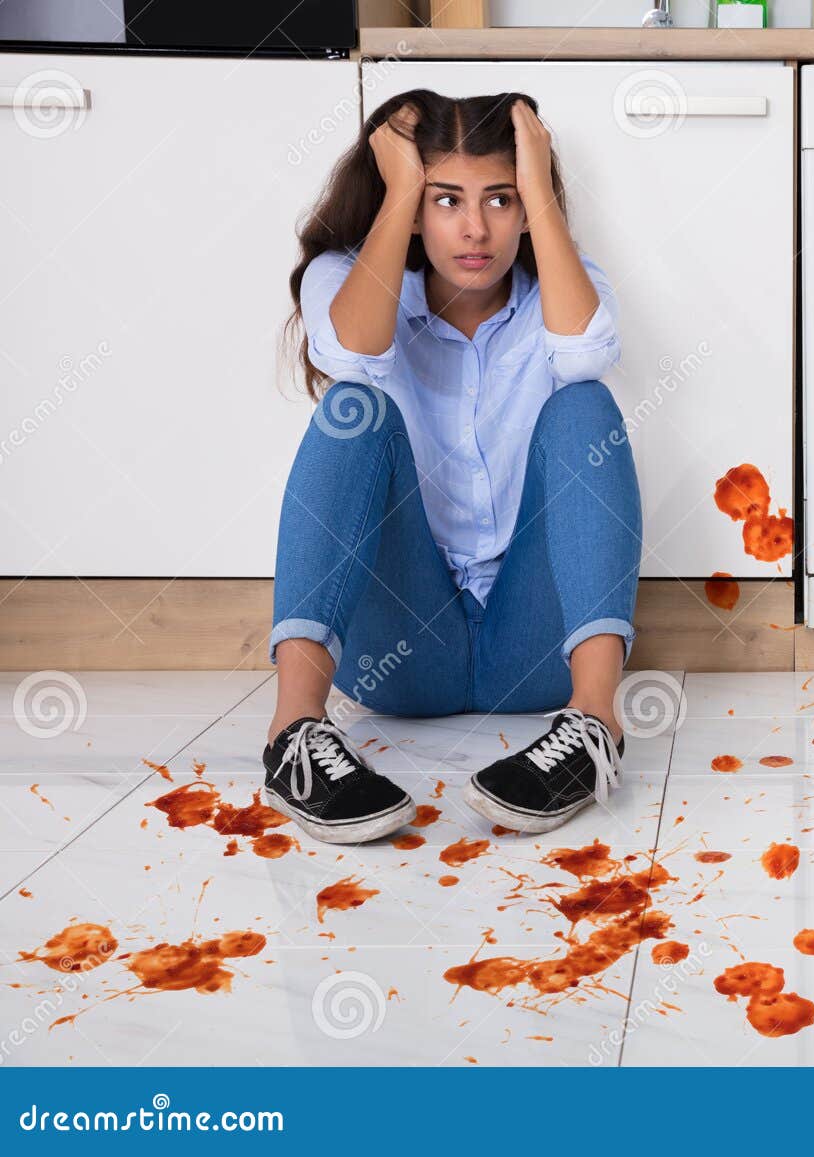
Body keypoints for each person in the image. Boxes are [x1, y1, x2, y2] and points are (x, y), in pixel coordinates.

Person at [265, 89, 642, 844]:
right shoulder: (347, 279)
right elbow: (352, 356)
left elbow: (587, 350)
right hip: (402, 657)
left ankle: (596, 722)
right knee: (354, 407)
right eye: (446, 200)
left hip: (534, 647)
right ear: (411, 209)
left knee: (584, 404)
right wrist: (400, 189)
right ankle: (294, 735)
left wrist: (538, 185)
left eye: (499, 199)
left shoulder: (565, 287)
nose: (475, 228)